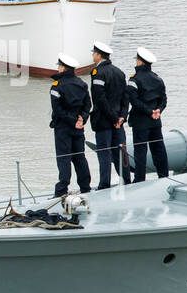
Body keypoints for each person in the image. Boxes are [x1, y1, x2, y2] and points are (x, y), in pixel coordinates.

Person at [50, 53, 92, 197]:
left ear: (63, 68)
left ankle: (62, 190)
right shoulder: (82, 84)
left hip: (63, 127)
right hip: (79, 127)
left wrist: (73, 121)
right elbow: (88, 105)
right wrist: (82, 119)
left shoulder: (56, 86)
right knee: (79, 157)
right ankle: (85, 187)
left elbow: (58, 110)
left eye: (59, 66)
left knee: (64, 158)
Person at [89, 41, 129, 189]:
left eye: (94, 53)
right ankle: (126, 180)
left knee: (104, 154)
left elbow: (100, 99)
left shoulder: (98, 73)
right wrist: (122, 117)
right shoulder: (119, 72)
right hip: (118, 122)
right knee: (121, 153)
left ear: (99, 55)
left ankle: (104, 184)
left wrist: (113, 118)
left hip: (105, 121)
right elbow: (125, 98)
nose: (93, 55)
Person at [127, 48, 170, 180]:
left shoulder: (134, 80)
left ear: (140, 62)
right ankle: (164, 176)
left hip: (141, 122)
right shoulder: (158, 79)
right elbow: (164, 99)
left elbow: (134, 100)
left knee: (140, 151)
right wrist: (158, 111)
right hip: (156, 121)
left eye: (137, 60)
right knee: (159, 149)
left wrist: (149, 111)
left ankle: (140, 179)